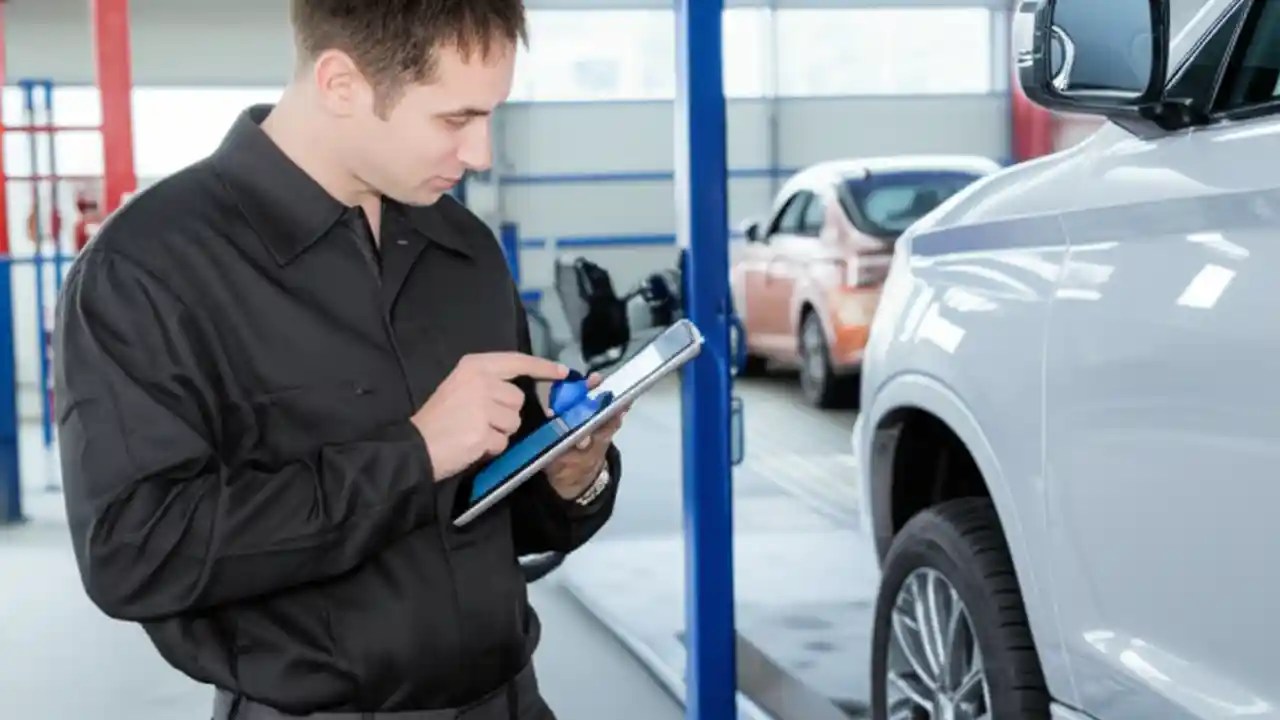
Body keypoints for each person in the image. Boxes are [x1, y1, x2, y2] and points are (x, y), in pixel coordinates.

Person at [52, 1, 624, 718]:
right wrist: (413, 456)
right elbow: (136, 553)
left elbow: (504, 520)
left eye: (489, 116)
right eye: (455, 119)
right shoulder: (149, 269)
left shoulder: (464, 247)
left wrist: (570, 478)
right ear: (341, 85)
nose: (480, 153)